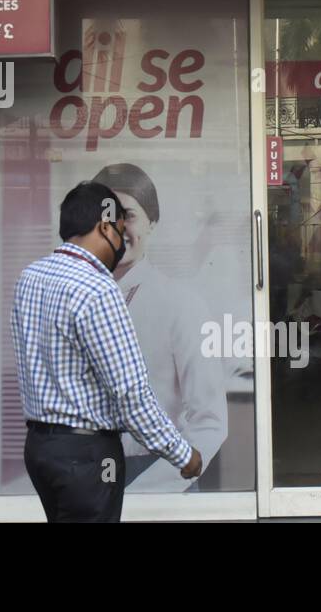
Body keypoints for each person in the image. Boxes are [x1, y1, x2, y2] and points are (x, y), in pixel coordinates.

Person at [12, 180, 201, 522]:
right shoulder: (98, 289)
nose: (122, 241)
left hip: (40, 449)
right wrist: (182, 454)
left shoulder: (31, 276)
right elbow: (131, 394)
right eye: (120, 230)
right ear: (104, 227)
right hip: (86, 456)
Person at [91, 163, 227, 490]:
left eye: (128, 215)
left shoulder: (181, 305)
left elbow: (209, 422)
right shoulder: (77, 301)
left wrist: (144, 494)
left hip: (159, 476)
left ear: (152, 222)